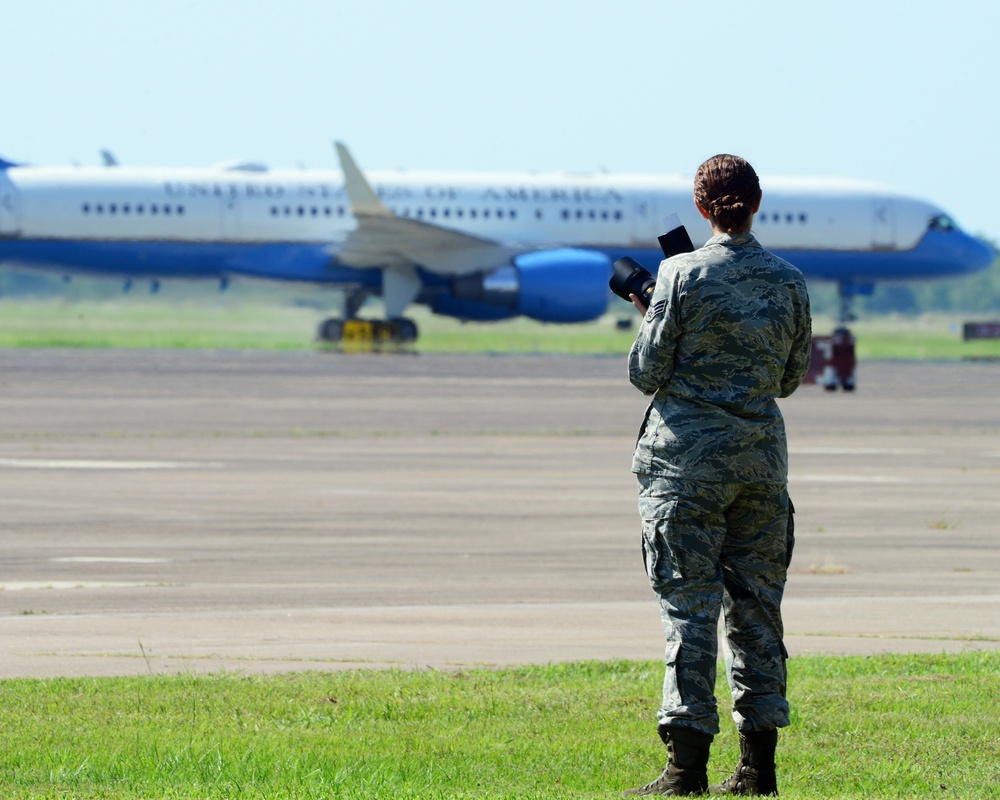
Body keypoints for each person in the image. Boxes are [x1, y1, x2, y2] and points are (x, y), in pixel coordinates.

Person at [624, 154, 812, 796]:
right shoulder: (788, 281)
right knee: (758, 610)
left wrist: (653, 307)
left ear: (703, 208)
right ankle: (759, 768)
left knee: (689, 607)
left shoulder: (680, 275)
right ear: (756, 203)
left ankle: (686, 770)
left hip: (685, 467)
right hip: (760, 463)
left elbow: (645, 372)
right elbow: (789, 378)